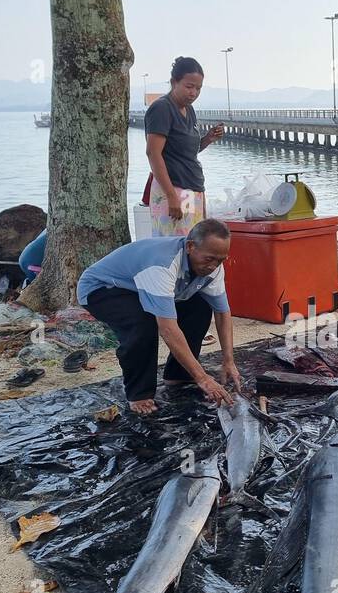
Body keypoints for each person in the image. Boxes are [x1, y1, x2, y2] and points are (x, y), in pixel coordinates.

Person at [77, 219, 241, 415]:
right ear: (190, 246)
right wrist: (203, 378)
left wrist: (228, 360)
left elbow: (222, 313)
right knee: (142, 323)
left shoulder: (213, 268)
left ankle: (178, 374)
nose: (214, 266)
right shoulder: (162, 264)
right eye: (209, 259)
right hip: (103, 289)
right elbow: (167, 329)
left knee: (201, 305)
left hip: (140, 287)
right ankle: (138, 393)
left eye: (220, 260)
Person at [145, 57, 225, 237]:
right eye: (189, 87)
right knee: (173, 247)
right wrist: (171, 196)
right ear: (174, 82)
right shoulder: (162, 108)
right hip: (174, 190)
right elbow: (153, 153)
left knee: (193, 247)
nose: (194, 93)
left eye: (198, 88)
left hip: (193, 188)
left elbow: (187, 152)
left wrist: (208, 139)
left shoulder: (189, 110)